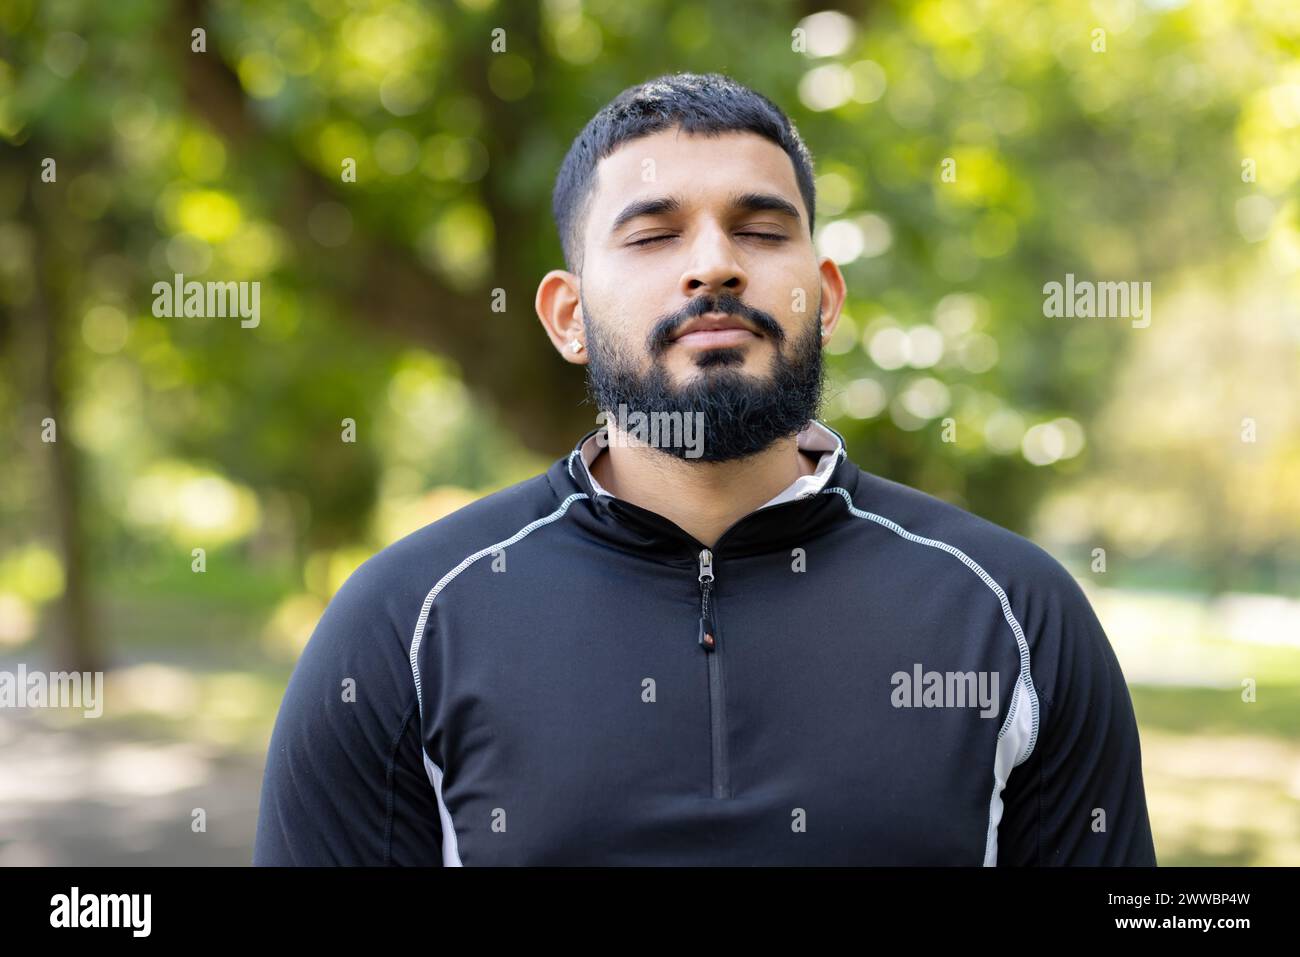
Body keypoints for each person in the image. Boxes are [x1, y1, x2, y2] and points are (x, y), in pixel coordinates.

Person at [253, 72, 1157, 866]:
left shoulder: (1017, 614)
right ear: (568, 317)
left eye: (761, 230)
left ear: (825, 296)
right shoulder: (402, 624)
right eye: (652, 236)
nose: (715, 265)